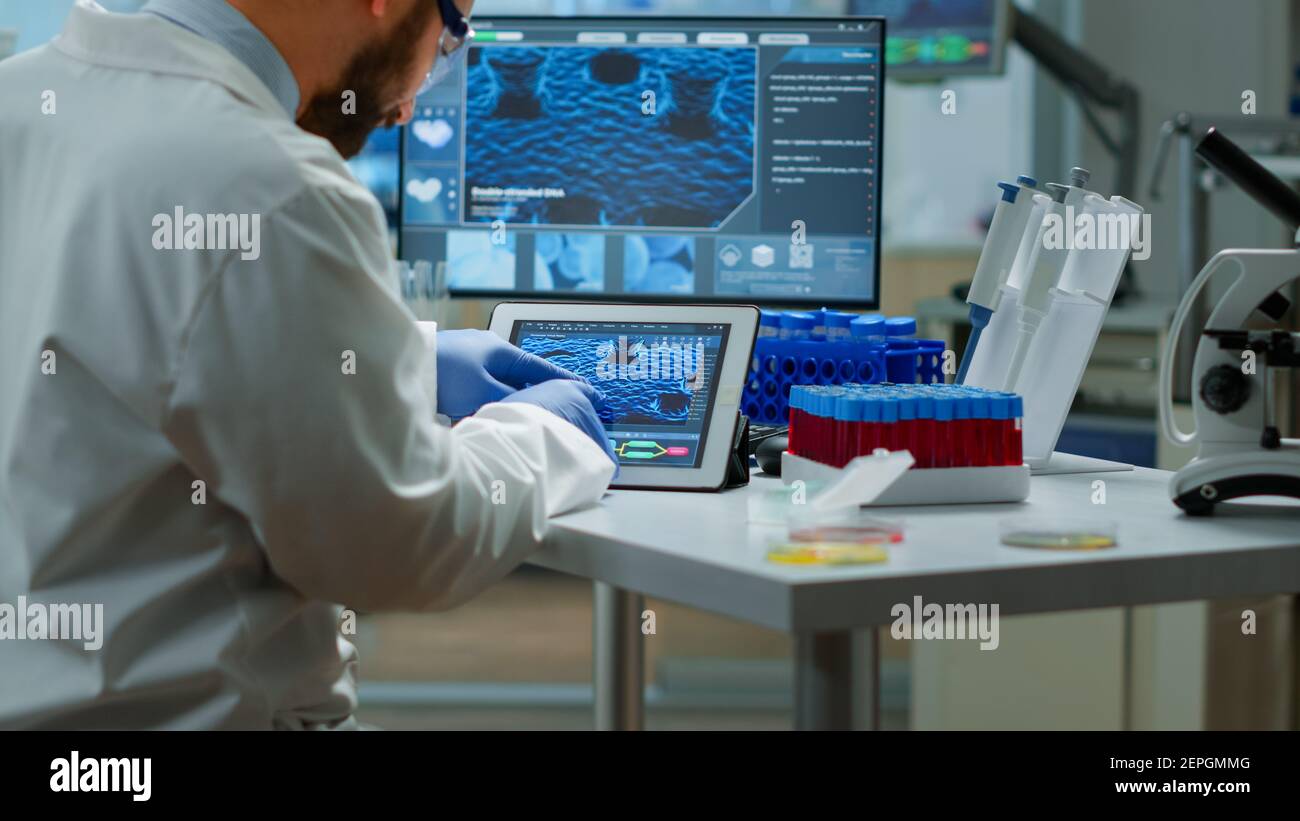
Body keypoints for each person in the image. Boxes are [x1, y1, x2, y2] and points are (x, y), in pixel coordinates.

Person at [0, 0, 617, 729]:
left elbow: (111, 338)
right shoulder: (272, 185)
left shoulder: (24, 98)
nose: (410, 107)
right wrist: (542, 436)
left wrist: (406, 356)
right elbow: (399, 543)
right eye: (449, 36)